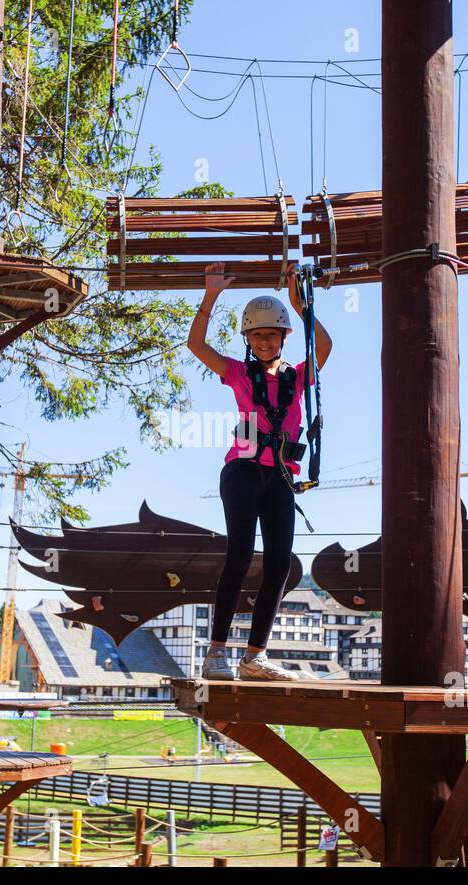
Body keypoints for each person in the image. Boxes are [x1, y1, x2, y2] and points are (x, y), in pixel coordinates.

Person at [186, 262, 332, 680]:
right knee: (240, 553)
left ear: (284, 337)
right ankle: (216, 652)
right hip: (243, 471)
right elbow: (196, 345)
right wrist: (211, 294)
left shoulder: (298, 377)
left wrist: (300, 307)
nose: (264, 341)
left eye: (271, 334)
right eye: (257, 335)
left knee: (280, 563)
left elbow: (323, 348)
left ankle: (254, 656)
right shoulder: (238, 373)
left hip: (281, 476)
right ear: (248, 339)